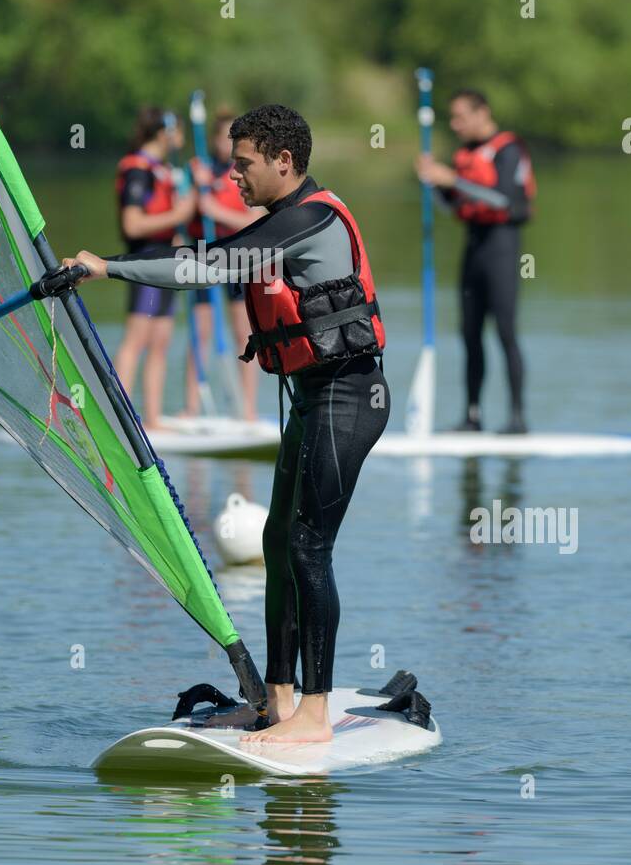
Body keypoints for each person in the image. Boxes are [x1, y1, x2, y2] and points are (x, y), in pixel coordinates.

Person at [65, 104, 389, 745]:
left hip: (348, 400)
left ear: (283, 163)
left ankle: (315, 718)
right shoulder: (281, 221)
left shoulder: (311, 219)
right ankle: (278, 702)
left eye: (243, 165)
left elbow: (205, 266)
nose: (232, 176)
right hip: (311, 397)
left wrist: (106, 267)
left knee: (307, 549)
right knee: (277, 546)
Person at [415, 89, 536, 434]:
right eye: (452, 118)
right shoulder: (464, 154)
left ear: (482, 113)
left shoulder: (509, 149)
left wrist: (452, 179)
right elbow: (452, 205)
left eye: (460, 117)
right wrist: (431, 184)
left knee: (505, 332)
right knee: (469, 334)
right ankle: (472, 416)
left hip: (502, 245)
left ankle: (517, 418)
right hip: (474, 247)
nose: (455, 124)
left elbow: (504, 200)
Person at [112, 108, 196, 430]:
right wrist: (179, 216)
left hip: (167, 260)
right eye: (178, 131)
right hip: (145, 261)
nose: (182, 137)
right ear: (163, 133)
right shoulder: (138, 170)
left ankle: (153, 419)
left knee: (161, 339)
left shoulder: (162, 169)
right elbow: (133, 225)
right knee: (138, 338)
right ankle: (119, 418)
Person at [185, 106, 266, 421]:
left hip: (237, 255)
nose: (229, 145)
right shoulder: (198, 170)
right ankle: (191, 407)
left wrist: (214, 210)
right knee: (200, 331)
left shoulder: (246, 174)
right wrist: (196, 187)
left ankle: (247, 410)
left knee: (244, 334)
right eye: (225, 138)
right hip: (204, 251)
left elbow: (253, 221)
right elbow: (183, 212)